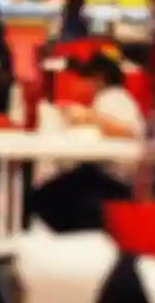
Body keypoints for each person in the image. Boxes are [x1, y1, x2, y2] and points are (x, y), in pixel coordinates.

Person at [31, 52, 146, 232]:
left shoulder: (113, 98)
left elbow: (128, 132)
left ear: (98, 79)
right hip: (112, 176)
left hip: (114, 180)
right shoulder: (119, 99)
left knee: (45, 196)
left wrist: (90, 117)